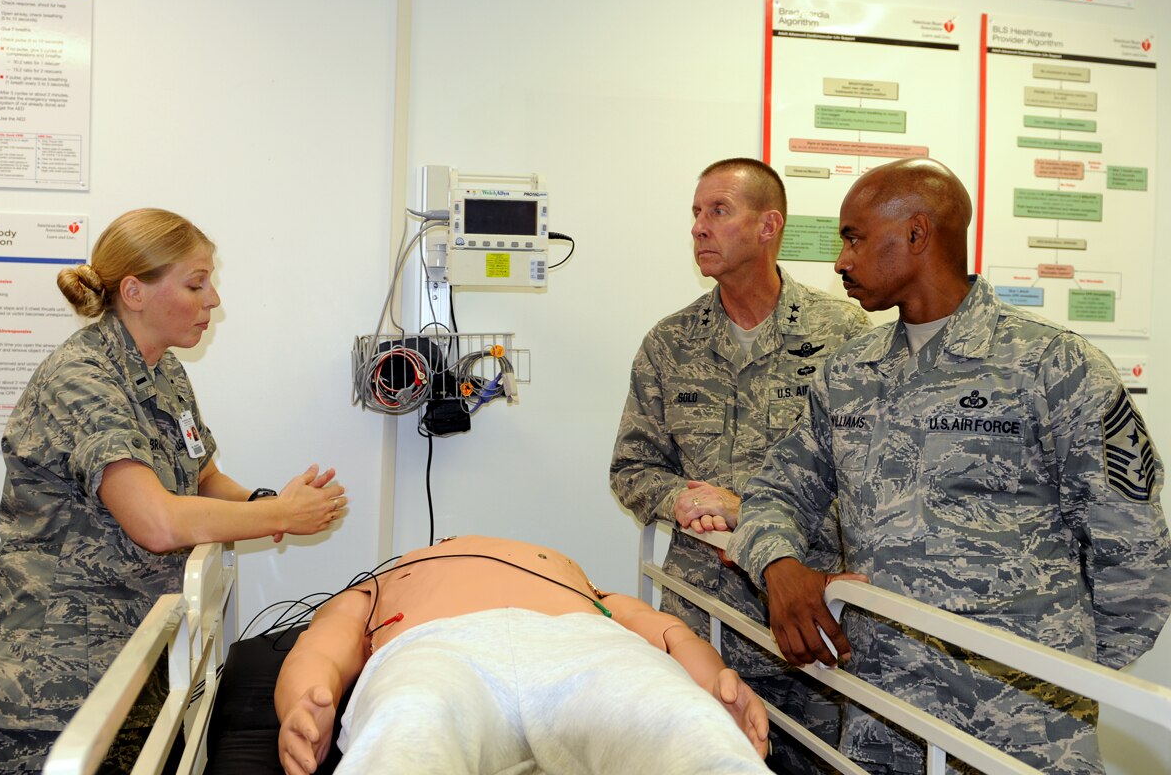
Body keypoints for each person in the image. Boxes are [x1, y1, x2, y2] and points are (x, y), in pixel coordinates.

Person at [728, 158, 1171, 775]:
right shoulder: (850, 373)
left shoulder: (1053, 367)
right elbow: (776, 490)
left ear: (916, 235)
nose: (839, 261)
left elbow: (1136, 555)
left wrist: (1050, 678)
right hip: (881, 718)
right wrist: (778, 565)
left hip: (1017, 734)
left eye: (854, 237)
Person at [0, 208, 349, 774]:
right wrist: (282, 514)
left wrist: (262, 506)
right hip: (55, 672)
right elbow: (156, 523)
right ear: (134, 291)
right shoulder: (82, 380)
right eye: (196, 284)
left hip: (132, 656)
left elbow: (202, 478)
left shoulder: (164, 373)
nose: (213, 300)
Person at [610, 157, 868, 772]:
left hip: (808, 625)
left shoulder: (845, 335)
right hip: (703, 625)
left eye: (718, 211)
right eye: (696, 214)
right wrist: (679, 499)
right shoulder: (671, 343)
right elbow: (632, 468)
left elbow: (870, 482)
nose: (699, 227)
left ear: (768, 225)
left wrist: (747, 511)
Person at [275, 535, 772, 775]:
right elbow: (323, 644)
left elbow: (667, 634)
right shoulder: (389, 577)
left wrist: (713, 686)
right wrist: (303, 707)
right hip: (438, 651)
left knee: (679, 719)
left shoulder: (572, 576)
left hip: (584, 646)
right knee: (409, 724)